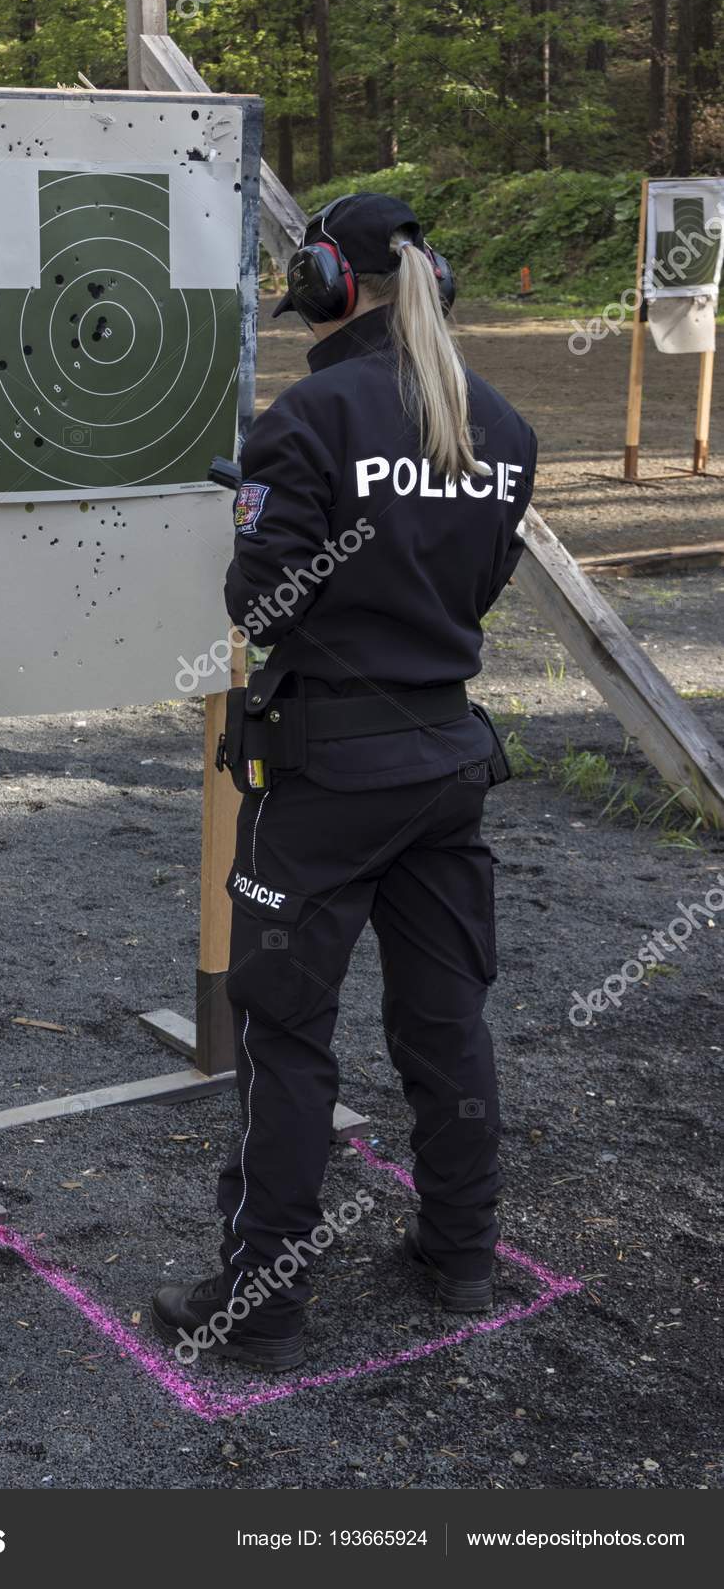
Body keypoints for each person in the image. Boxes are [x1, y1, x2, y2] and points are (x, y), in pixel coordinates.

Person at [151, 192, 537, 1372]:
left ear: (329, 279)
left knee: (283, 1031)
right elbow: (469, 590)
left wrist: (262, 523)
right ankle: (458, 1252)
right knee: (442, 1015)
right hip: (443, 756)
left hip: (327, 776)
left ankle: (262, 1303)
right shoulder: (502, 426)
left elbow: (260, 606)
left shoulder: (310, 414)